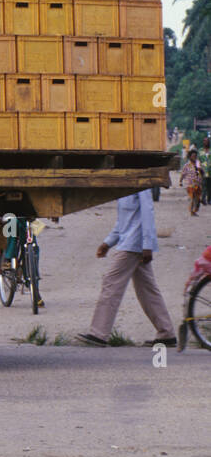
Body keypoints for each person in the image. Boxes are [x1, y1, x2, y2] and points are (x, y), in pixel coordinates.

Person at [77, 189, 176, 347]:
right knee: (147, 290)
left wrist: (147, 245)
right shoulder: (125, 187)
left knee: (111, 282)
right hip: (129, 243)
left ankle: (99, 333)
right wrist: (108, 242)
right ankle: (166, 333)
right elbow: (123, 221)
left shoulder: (142, 184)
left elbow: (147, 213)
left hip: (134, 245)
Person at [179, 147, 201, 216]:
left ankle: (195, 210)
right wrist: (180, 181)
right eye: (193, 156)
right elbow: (183, 174)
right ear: (190, 157)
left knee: (197, 199)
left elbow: (201, 173)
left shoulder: (198, 164)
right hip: (190, 185)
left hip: (198, 184)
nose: (194, 157)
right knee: (192, 197)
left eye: (195, 156)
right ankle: (192, 211)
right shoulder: (187, 165)